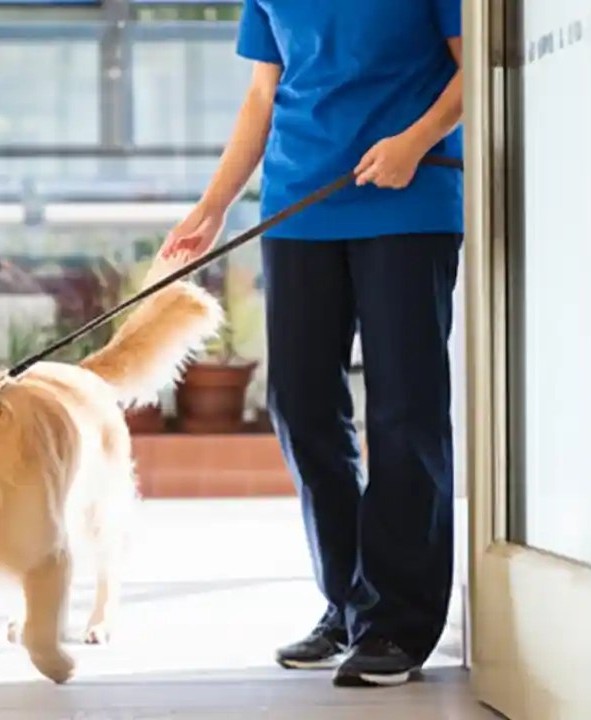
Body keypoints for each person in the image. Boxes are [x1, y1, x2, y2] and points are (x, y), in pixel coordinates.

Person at [155, 0, 464, 688]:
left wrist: (415, 141)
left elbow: (476, 70)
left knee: (404, 408)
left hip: (408, 198)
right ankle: (351, 600)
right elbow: (264, 93)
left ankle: (397, 622)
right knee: (300, 404)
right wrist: (212, 206)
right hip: (298, 204)